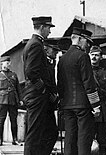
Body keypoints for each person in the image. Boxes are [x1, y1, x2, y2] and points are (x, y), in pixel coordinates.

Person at [57, 27, 100, 155]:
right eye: (87, 42)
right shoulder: (83, 56)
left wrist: (62, 101)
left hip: (67, 106)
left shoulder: (62, 59)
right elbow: (88, 82)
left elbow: (60, 85)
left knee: (69, 138)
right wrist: (96, 106)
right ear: (80, 39)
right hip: (82, 106)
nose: (88, 45)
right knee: (83, 139)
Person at [22, 16, 58, 155]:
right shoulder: (36, 44)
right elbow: (31, 72)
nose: (49, 31)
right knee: (35, 134)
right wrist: (44, 90)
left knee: (50, 132)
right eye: (48, 28)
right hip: (37, 96)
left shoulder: (35, 43)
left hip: (40, 96)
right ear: (42, 27)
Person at [0, 56, 22, 146]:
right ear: (2, 63)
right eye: (6, 62)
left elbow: (18, 89)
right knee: (1, 120)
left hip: (13, 100)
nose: (8, 64)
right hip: (2, 100)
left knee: (14, 120)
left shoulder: (14, 74)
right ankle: (0, 139)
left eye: (9, 62)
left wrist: (20, 99)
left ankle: (15, 139)